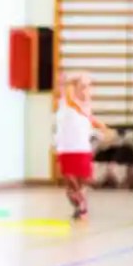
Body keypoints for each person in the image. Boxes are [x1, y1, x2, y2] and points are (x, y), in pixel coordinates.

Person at [53, 72, 111, 220]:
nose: (86, 91)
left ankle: (82, 205)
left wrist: (98, 126)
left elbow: (88, 118)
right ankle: (78, 203)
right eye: (83, 87)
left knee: (82, 182)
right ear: (74, 88)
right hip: (66, 149)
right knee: (70, 184)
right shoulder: (66, 102)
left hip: (82, 148)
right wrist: (65, 82)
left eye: (88, 87)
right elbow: (65, 93)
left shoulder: (87, 106)